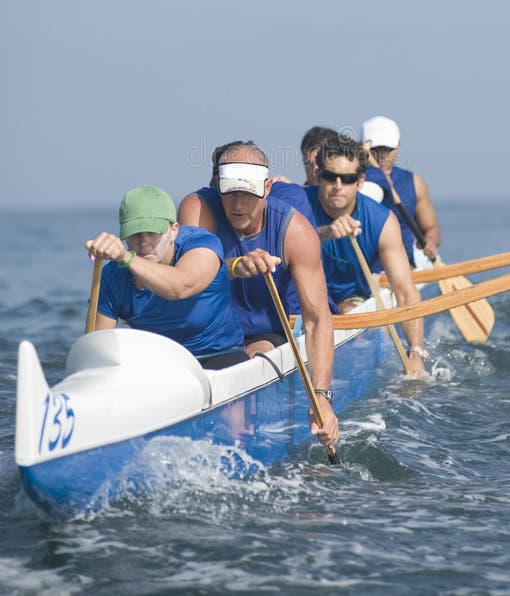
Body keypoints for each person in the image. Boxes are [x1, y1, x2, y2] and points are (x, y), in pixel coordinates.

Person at [177, 142, 339, 449]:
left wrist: (321, 399)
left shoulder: (295, 232)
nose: (237, 204)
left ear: (266, 188)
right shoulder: (198, 210)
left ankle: (241, 438)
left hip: (261, 334)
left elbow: (317, 320)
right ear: (218, 187)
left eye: (247, 193)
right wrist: (233, 266)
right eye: (230, 192)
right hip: (206, 334)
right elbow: (187, 277)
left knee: (254, 357)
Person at [86, 185, 249, 370]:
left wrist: (125, 256)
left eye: (152, 232)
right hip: (161, 364)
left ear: (174, 230)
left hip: (220, 355)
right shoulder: (112, 276)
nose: (143, 242)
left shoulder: (203, 245)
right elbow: (97, 352)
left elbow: (180, 287)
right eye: (135, 233)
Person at [305, 134, 428, 378]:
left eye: (348, 179)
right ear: (318, 176)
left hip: (347, 299)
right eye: (330, 177)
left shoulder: (382, 221)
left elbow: (404, 290)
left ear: (360, 182)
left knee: (351, 308)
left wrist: (415, 350)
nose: (338, 185)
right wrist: (324, 233)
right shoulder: (298, 206)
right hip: (301, 300)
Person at [361, 115, 441, 266]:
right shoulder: (348, 182)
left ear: (397, 147)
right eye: (376, 149)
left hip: (405, 269)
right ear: (362, 148)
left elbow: (431, 228)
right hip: (365, 274)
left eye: (388, 149)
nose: (382, 155)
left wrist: (430, 241)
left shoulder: (415, 182)